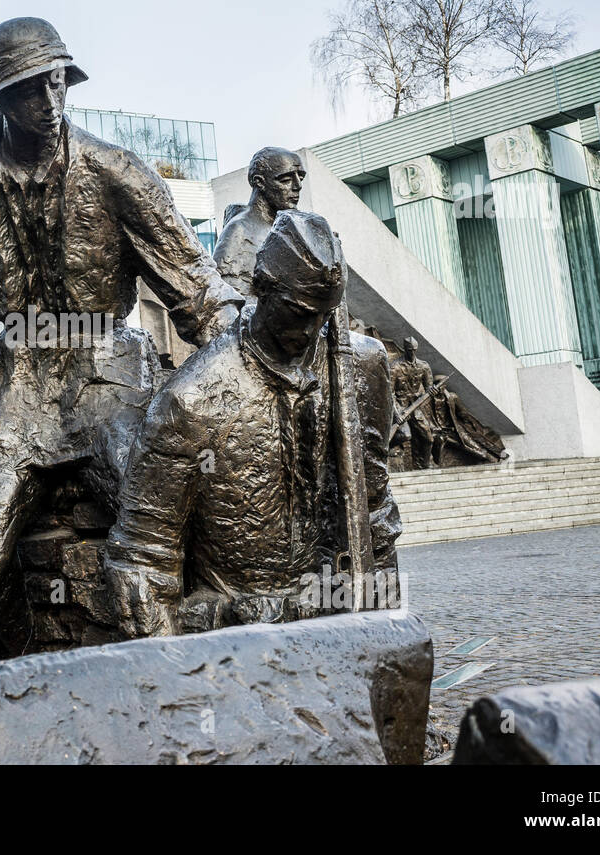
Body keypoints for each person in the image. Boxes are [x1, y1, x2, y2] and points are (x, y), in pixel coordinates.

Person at [0, 17, 243, 634]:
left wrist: (249, 376)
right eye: (33, 90)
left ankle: (196, 654)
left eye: (59, 84)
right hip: (23, 378)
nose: (52, 104)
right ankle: (23, 670)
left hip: (108, 368)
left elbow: (199, 291)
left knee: (158, 522)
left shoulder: (117, 174)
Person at [103, 210, 401, 637]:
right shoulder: (190, 401)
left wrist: (387, 632)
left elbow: (375, 510)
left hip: (346, 622)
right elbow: (143, 560)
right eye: (298, 312)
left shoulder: (364, 365)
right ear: (261, 288)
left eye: (324, 314)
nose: (312, 329)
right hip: (236, 637)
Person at [213, 147, 307, 299]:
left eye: (300, 178)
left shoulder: (294, 227)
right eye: (286, 180)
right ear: (259, 182)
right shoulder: (239, 231)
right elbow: (231, 302)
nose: (297, 186)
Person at [392, 337, 438, 470]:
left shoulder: (423, 366)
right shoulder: (395, 366)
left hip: (416, 406)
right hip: (400, 406)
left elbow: (428, 388)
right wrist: (397, 414)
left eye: (414, 350)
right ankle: (385, 448)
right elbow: (390, 394)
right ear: (404, 349)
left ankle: (425, 465)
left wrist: (432, 390)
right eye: (409, 350)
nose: (412, 353)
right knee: (405, 435)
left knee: (428, 438)